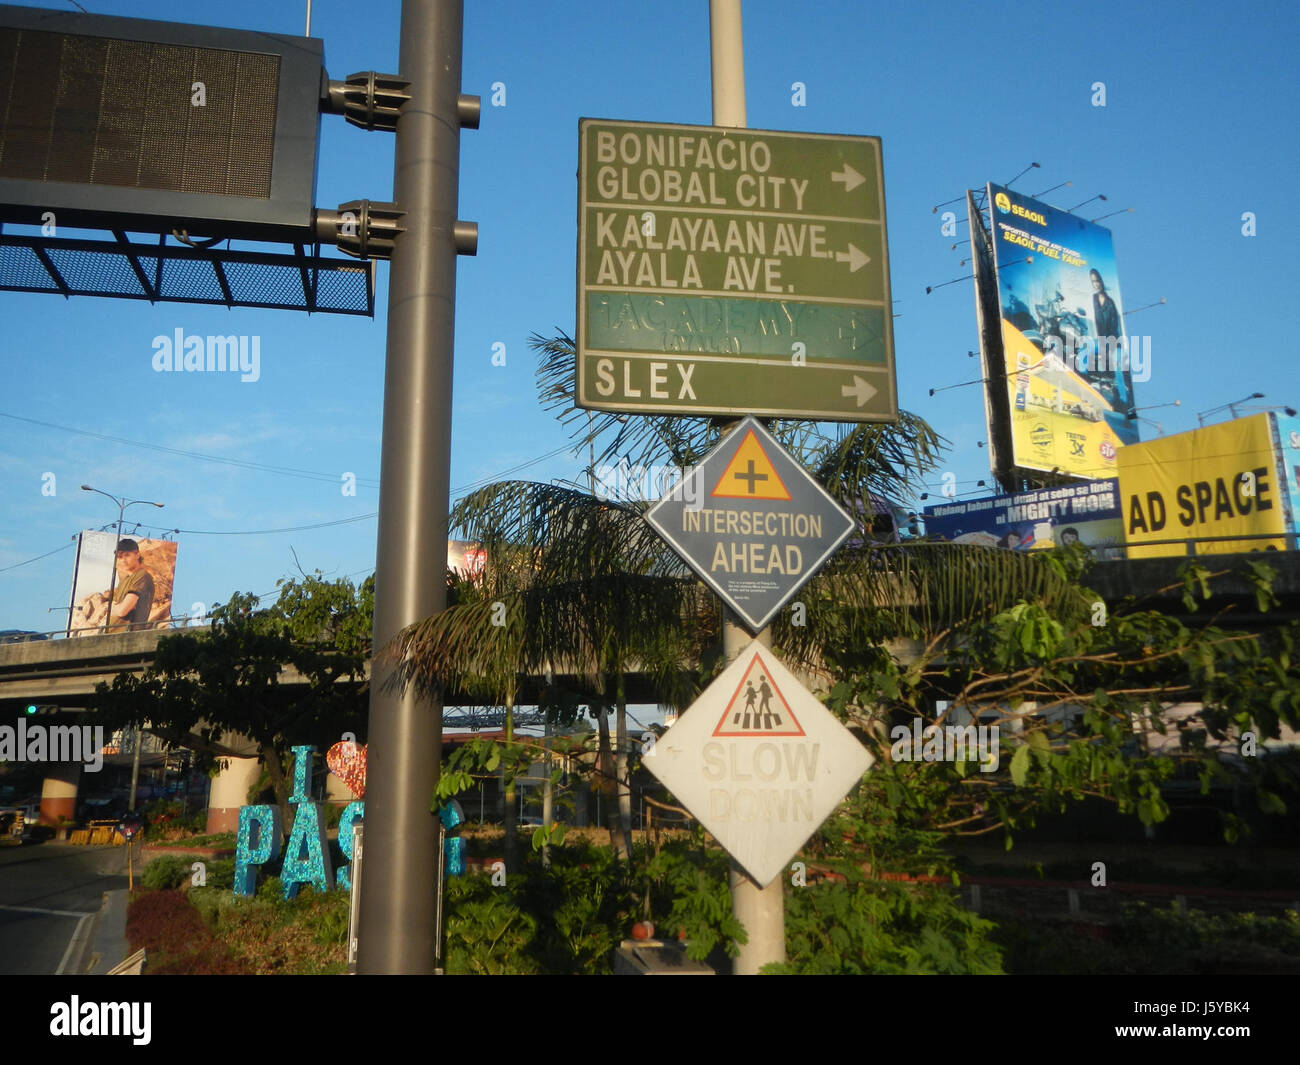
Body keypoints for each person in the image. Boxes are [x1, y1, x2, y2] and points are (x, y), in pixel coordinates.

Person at [103, 539, 155, 632]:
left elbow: (122, 610)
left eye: (127, 555)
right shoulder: (124, 580)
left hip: (128, 635)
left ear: (137, 555)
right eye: (120, 557)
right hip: (112, 634)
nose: (123, 560)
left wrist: (111, 607)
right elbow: (116, 607)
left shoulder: (142, 575)